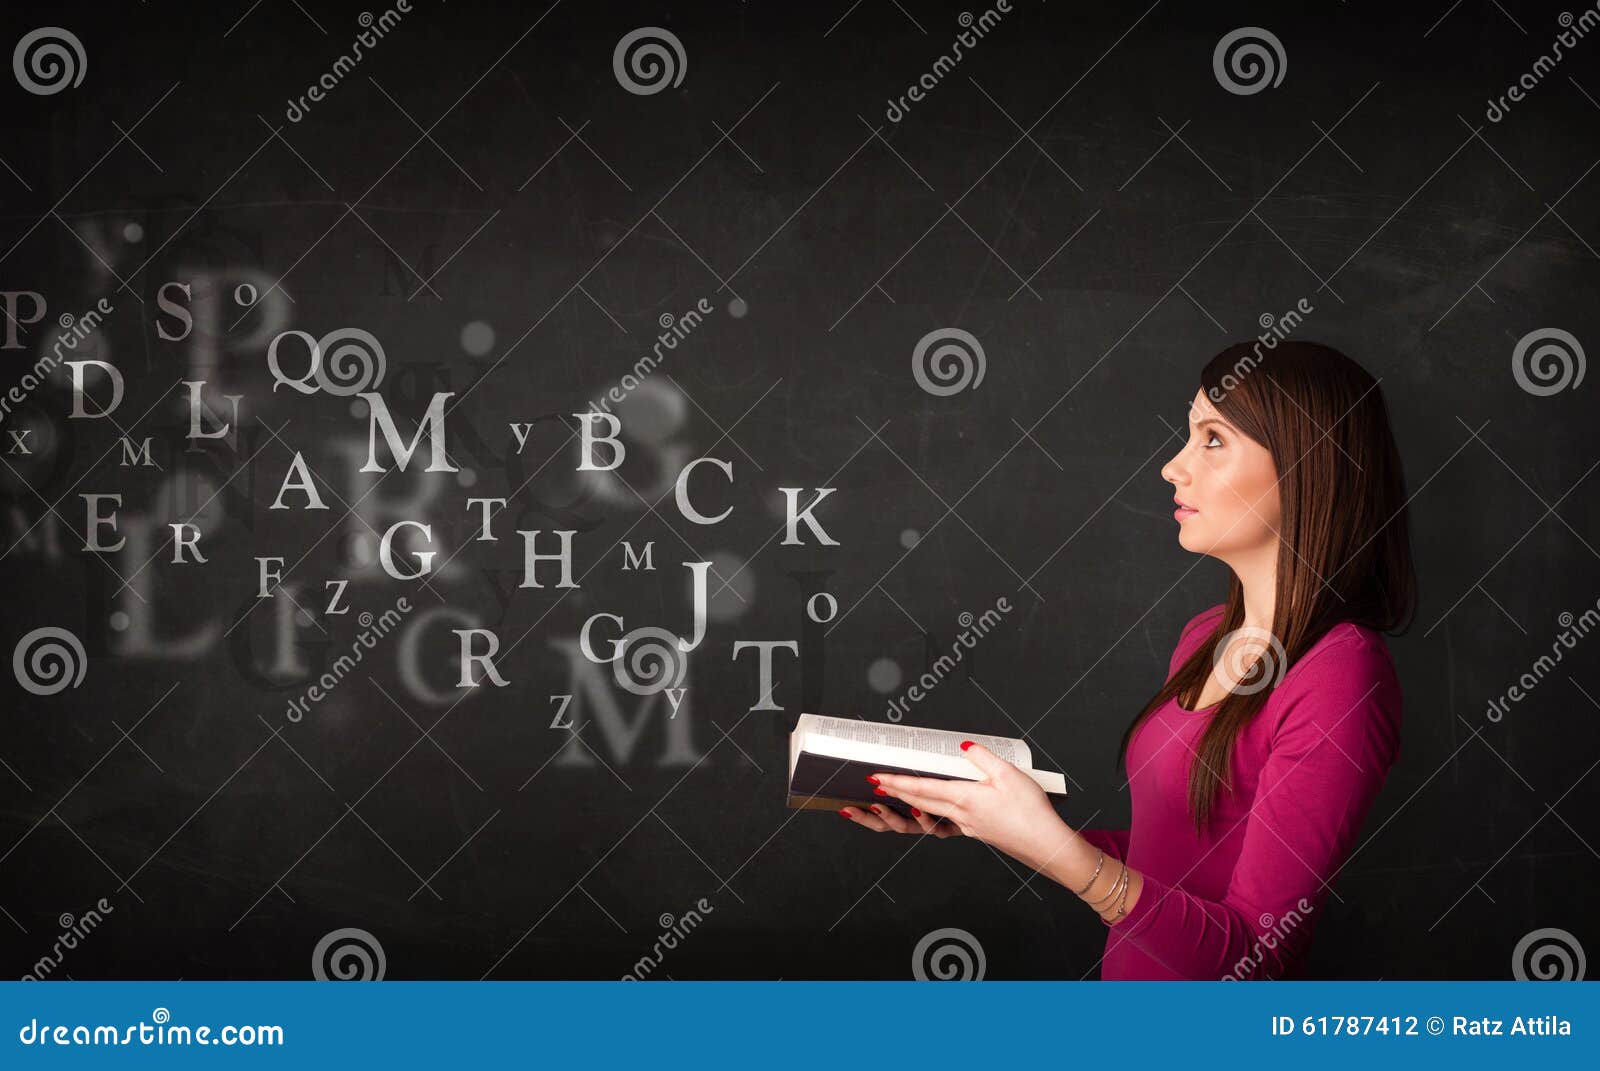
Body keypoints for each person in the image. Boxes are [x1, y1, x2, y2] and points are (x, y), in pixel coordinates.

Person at [841, 340, 1416, 980]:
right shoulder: (1204, 637)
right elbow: (1174, 863)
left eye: (1213, 439)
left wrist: (1059, 853)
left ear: (1308, 465)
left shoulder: (1341, 677)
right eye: (1188, 436)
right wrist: (995, 819)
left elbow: (1255, 954)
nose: (1175, 468)